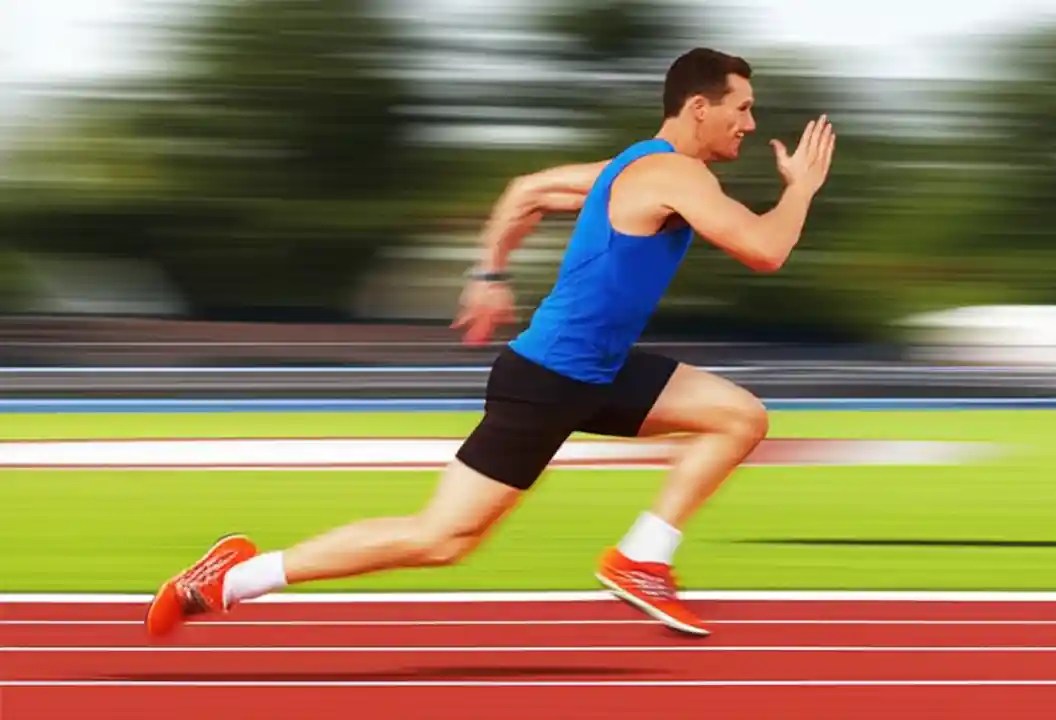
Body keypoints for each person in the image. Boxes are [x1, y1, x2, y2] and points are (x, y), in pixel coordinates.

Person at [145, 47, 836, 638]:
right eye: (740, 108)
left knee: (739, 416)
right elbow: (764, 249)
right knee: (440, 540)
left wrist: (488, 274)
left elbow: (527, 189)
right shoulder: (673, 174)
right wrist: (801, 189)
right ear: (697, 108)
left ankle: (642, 557)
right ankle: (232, 578)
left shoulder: (634, 169)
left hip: (595, 372)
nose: (750, 123)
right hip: (547, 380)